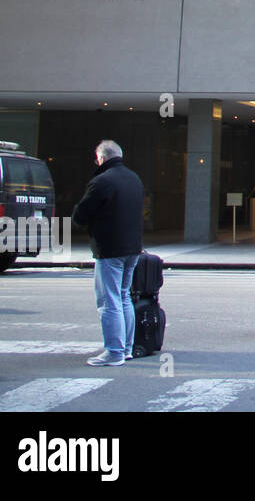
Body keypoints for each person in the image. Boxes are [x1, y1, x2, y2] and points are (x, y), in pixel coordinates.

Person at [72, 140, 144, 367]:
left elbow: (80, 216)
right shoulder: (134, 178)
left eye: (97, 158)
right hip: (133, 248)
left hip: (110, 249)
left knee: (109, 300)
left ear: (101, 158)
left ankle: (114, 352)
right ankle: (127, 348)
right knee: (124, 297)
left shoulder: (101, 181)